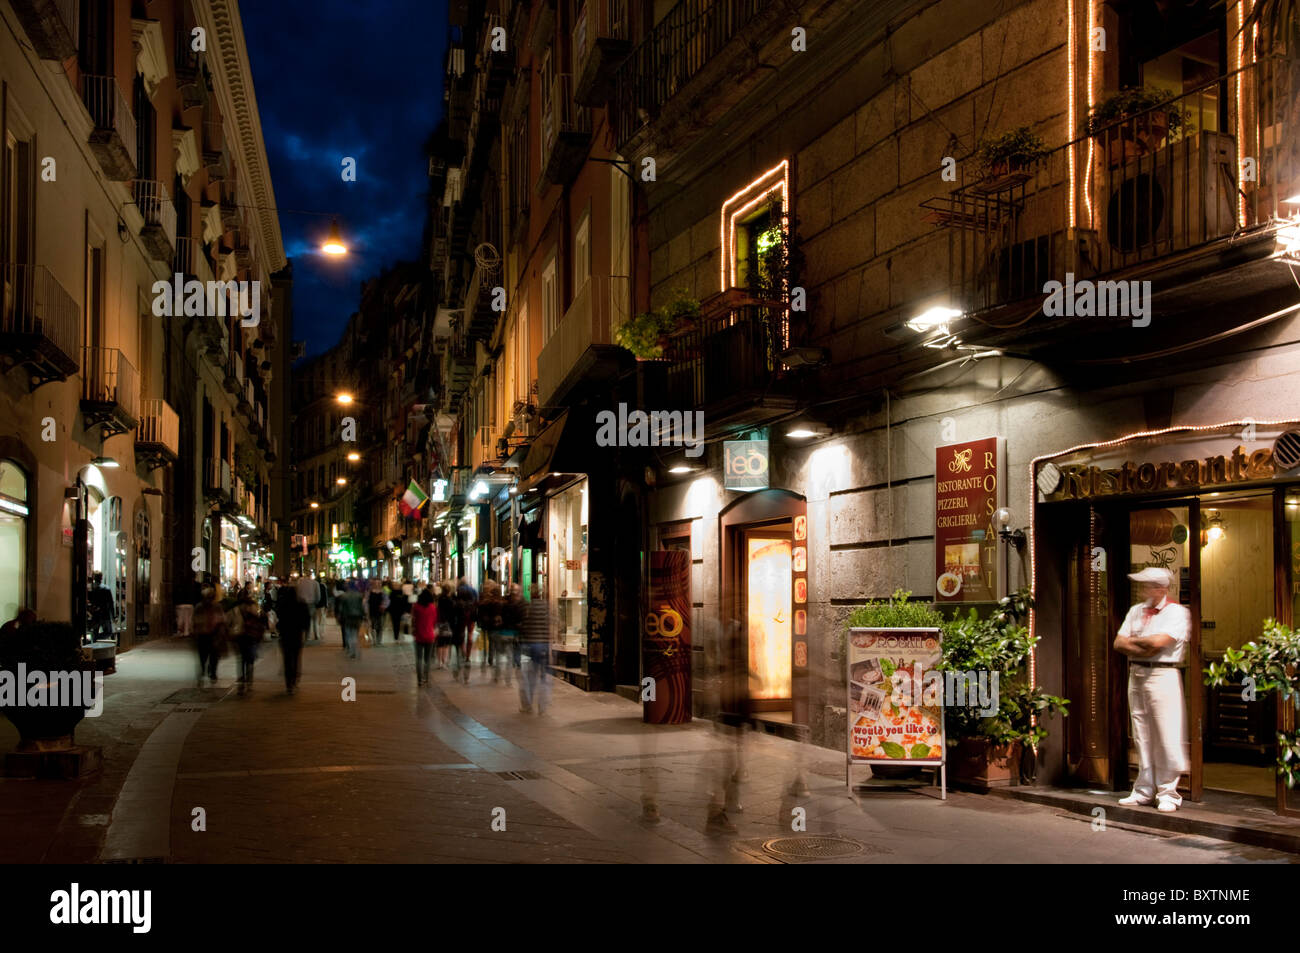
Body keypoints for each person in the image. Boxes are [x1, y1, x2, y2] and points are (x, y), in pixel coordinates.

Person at [1113, 567, 1191, 813]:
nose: (1142, 589)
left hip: (1163, 673)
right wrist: (1143, 646)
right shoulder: (1136, 611)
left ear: (1161, 588)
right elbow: (1118, 642)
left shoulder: (1177, 612)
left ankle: (1168, 792)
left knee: (1166, 733)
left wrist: (1137, 642)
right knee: (1141, 734)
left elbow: (1158, 644)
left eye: (1147, 585)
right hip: (1136, 673)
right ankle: (1144, 789)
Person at [518, 584, 553, 714]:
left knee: (528, 677)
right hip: (542, 646)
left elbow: (523, 628)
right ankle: (542, 707)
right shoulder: (545, 606)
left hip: (528, 646)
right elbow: (549, 625)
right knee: (543, 677)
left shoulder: (527, 607)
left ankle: (527, 706)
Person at [192, 584, 227, 687]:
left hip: (212, 634)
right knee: (204, 656)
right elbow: (195, 620)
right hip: (204, 635)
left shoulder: (216, 607)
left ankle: (211, 673)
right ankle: (205, 673)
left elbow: (221, 619)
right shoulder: (200, 607)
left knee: (212, 656)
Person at [275, 582, 306, 694]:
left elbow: (278, 617)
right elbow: (305, 621)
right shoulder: (301, 604)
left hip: (285, 635)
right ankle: (295, 680)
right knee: (296, 658)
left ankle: (289, 684)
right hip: (297, 635)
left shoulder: (283, 604)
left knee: (287, 659)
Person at [235, 588, 267, 694]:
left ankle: (241, 682)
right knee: (250, 660)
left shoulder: (236, 608)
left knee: (242, 660)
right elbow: (260, 619)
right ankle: (249, 682)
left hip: (240, 636)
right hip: (251, 636)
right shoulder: (253, 606)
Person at [494, 583, 524, 686]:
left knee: (498, 655)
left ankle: (497, 676)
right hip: (512, 634)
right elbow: (519, 622)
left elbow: (499, 618)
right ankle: (508, 680)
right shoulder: (517, 607)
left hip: (502, 633)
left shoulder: (503, 605)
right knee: (509, 658)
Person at [411, 588, 438, 686]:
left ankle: (419, 680)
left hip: (419, 635)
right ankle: (426, 678)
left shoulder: (416, 607)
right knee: (427, 659)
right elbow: (435, 621)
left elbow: (413, 620)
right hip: (430, 636)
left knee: (418, 658)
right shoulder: (432, 607)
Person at [454, 577, 478, 683]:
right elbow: (477, 601)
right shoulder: (473, 590)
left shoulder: (459, 590)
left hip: (462, 615)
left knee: (461, 633)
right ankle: (468, 655)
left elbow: (456, 603)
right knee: (470, 634)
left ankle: (463, 652)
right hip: (471, 614)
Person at [478, 581, 502, 676]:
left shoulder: (485, 599)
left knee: (489, 641)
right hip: (491, 624)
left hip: (488, 624)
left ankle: (488, 659)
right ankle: (490, 659)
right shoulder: (493, 600)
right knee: (492, 642)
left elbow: (480, 610)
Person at [338, 579, 365, 660]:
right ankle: (355, 649)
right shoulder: (359, 595)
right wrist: (364, 616)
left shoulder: (344, 596)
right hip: (357, 617)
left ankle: (351, 650)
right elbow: (361, 607)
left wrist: (339, 615)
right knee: (355, 634)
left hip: (347, 617)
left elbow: (341, 608)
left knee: (349, 634)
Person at [436, 581, 458, 670]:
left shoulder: (440, 598)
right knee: (446, 644)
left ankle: (439, 662)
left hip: (440, 622)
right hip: (448, 623)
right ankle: (444, 661)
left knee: (440, 643)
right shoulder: (450, 601)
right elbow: (453, 613)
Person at [88, 572, 114, 642]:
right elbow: (111, 603)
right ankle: (96, 639)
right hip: (105, 614)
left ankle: (94, 641)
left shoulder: (91, 588)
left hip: (95, 615)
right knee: (108, 632)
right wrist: (113, 615)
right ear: (101, 578)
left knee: (95, 631)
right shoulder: (106, 589)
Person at [388, 582, 410, 647]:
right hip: (394, 612)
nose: (396, 586)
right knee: (396, 625)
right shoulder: (391, 593)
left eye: (397, 585)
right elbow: (390, 603)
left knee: (403, 624)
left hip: (402, 612)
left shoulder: (402, 593)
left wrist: (406, 611)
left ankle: (403, 637)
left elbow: (406, 602)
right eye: (395, 585)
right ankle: (396, 637)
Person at [368, 579, 387, 646]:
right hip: (372, 611)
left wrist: (384, 605)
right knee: (373, 626)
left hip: (380, 611)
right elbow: (366, 602)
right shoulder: (369, 591)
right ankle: (374, 640)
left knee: (380, 626)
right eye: (376, 583)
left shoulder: (383, 592)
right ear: (373, 584)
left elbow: (387, 600)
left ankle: (379, 641)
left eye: (379, 583)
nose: (378, 584)